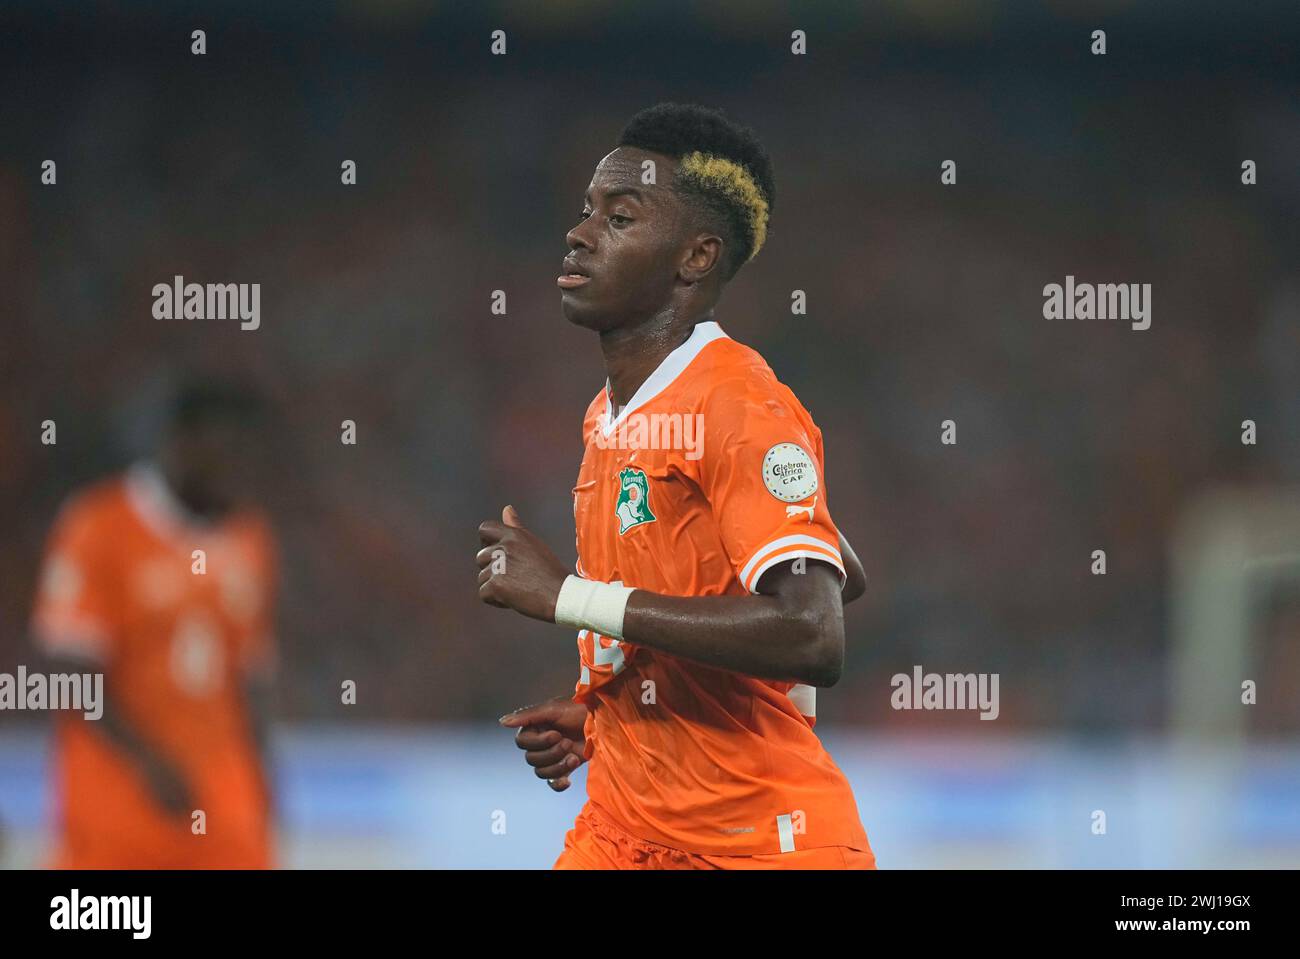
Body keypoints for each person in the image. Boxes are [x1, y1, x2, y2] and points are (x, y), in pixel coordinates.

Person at [478, 103, 876, 869]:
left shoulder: (737, 400)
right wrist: (610, 708)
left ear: (695, 257)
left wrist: (567, 597)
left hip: (762, 841)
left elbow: (814, 631)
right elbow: (837, 567)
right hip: (625, 832)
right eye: (586, 210)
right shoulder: (610, 411)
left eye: (619, 217)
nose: (580, 232)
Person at [32, 377, 278, 868]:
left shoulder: (249, 538)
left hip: (221, 793)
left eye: (250, 458)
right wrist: (147, 761)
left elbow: (250, 675)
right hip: (118, 793)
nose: (241, 472)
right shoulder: (98, 526)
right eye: (227, 454)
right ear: (181, 444)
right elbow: (68, 673)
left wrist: (264, 777)